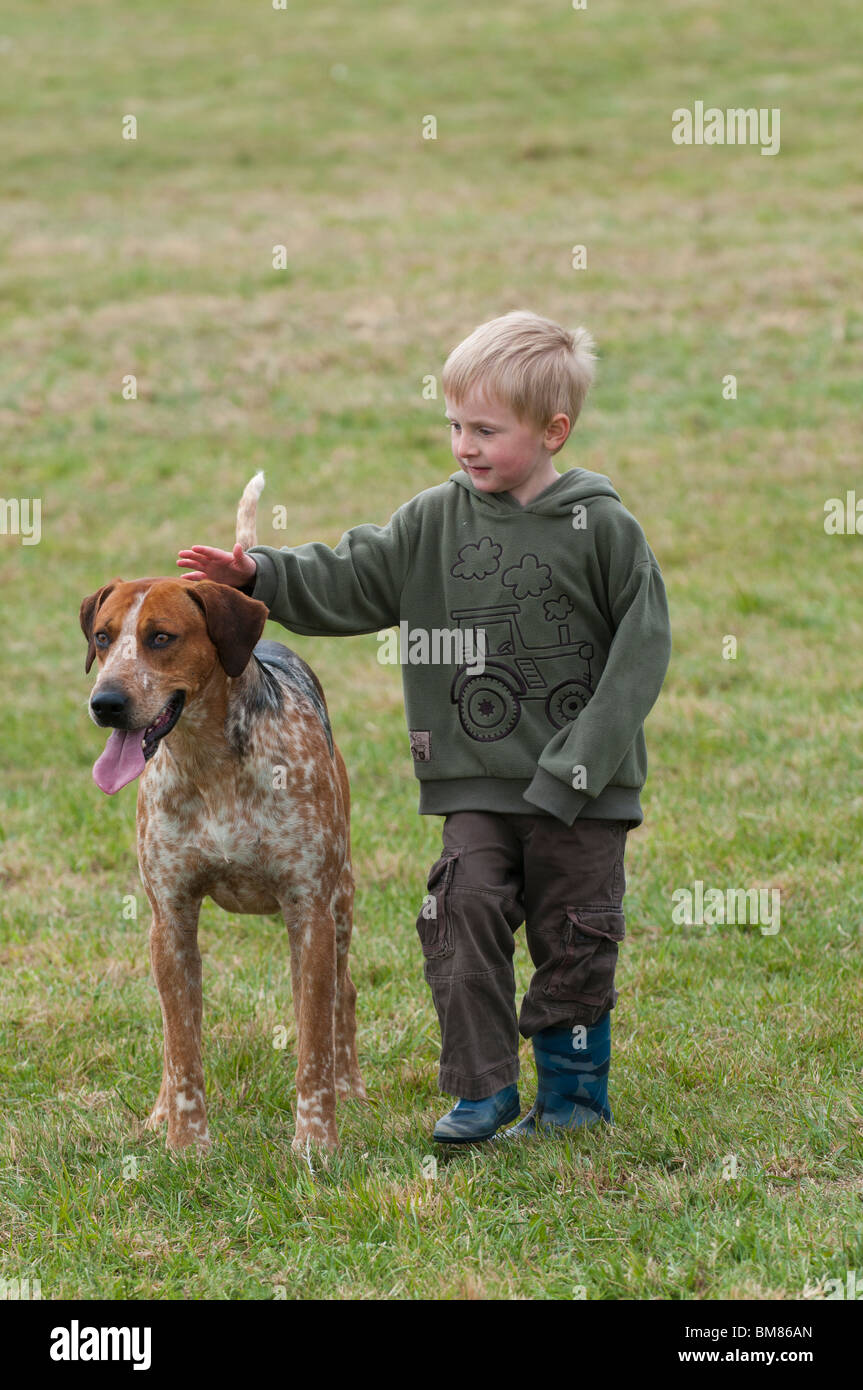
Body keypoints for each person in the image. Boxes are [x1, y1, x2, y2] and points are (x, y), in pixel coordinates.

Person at [177, 310, 672, 1144]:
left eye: (486, 429)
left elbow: (642, 648)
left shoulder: (603, 527)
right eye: (453, 426)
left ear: (554, 431)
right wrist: (261, 574)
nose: (464, 446)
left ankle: (573, 1098)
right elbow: (352, 573)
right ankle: (481, 1093)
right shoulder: (433, 522)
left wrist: (581, 762)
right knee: (459, 913)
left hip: (585, 793)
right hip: (476, 784)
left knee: (575, 936)